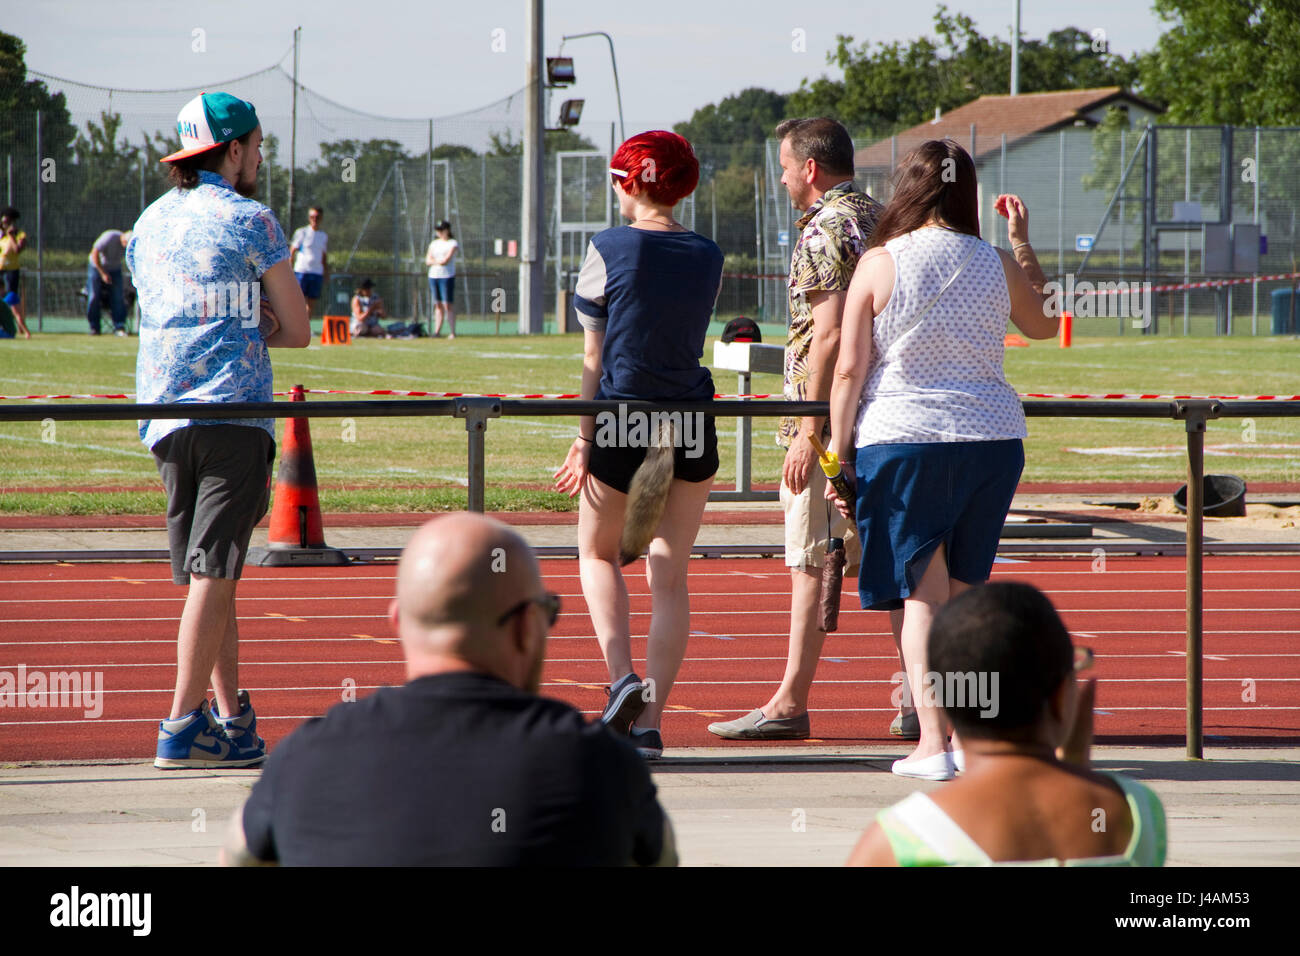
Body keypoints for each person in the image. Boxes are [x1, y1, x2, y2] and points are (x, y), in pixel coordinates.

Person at [221, 513, 676, 866]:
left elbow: (237, 854)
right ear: (524, 628)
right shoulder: (602, 766)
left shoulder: (303, 759)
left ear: (398, 621)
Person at [827, 139, 1058, 780]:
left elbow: (849, 369)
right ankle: (966, 739)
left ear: (910, 187)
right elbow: (1044, 323)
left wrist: (833, 455)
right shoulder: (991, 259)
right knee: (965, 596)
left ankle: (932, 743)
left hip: (904, 437)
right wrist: (1022, 243)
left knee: (920, 597)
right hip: (990, 438)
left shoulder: (880, 262)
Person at [707, 118, 908, 742]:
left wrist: (807, 428)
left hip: (829, 423)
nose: (785, 177)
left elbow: (825, 335)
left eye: (787, 166)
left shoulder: (823, 228)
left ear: (811, 168)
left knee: (811, 561)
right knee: (902, 567)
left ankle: (789, 703)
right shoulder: (885, 217)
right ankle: (918, 700)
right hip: (884, 416)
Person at [128, 90, 310, 769]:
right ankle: (179, 725)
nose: (259, 158)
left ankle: (229, 718)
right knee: (214, 572)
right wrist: (253, 323)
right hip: (232, 413)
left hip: (162, 416)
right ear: (232, 149)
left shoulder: (147, 222)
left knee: (214, 572)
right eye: (257, 146)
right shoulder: (252, 218)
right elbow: (298, 330)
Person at [553, 130, 723, 760]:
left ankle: (621, 676)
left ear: (629, 181)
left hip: (623, 413)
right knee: (669, 575)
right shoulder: (708, 253)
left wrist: (582, 438)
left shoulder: (608, 246)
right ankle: (650, 722)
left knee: (597, 555)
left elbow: (594, 355)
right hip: (691, 419)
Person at [848, 581, 1167, 866]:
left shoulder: (903, 835)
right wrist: (1077, 771)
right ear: (1061, 698)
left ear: (941, 699)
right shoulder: (1135, 813)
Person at [86, 228, 132, 336]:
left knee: (118, 297)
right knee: (93, 296)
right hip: (97, 267)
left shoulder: (128, 247)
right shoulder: (109, 237)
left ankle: (119, 327)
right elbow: (94, 253)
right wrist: (102, 273)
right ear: (124, 240)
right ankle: (94, 327)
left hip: (115, 269)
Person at [289, 206, 328, 316]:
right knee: (298, 302)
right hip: (302, 271)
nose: (314, 219)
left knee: (311, 303)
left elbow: (324, 255)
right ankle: (295, 327)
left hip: (316, 273)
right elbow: (292, 251)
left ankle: (306, 329)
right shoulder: (302, 232)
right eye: (312, 217)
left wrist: (326, 272)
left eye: (317, 217)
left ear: (321, 218)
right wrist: (290, 269)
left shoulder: (323, 236)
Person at [0, 207, 31, 339]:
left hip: (11, 272)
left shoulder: (19, 235)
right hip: (1, 270)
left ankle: (23, 329)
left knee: (12, 301)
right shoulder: (1, 236)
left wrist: (11, 235)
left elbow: (16, 250)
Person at [425, 219, 458, 338]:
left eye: (441, 230)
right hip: (434, 276)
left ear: (447, 230)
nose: (438, 232)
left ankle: (452, 332)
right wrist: (437, 261)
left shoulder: (452, 243)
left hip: (447, 276)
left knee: (447, 304)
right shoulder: (434, 244)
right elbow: (427, 261)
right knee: (437, 304)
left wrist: (436, 261)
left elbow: (446, 261)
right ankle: (437, 331)